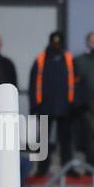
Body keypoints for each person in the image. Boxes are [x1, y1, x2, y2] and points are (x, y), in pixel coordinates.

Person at [28, 30, 76, 174]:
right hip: (44, 106)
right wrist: (35, 105)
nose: (56, 45)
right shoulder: (41, 59)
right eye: (54, 43)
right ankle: (41, 169)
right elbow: (34, 83)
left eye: (59, 43)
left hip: (66, 106)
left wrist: (73, 103)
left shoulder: (68, 59)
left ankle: (68, 168)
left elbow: (76, 81)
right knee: (43, 140)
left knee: (66, 140)